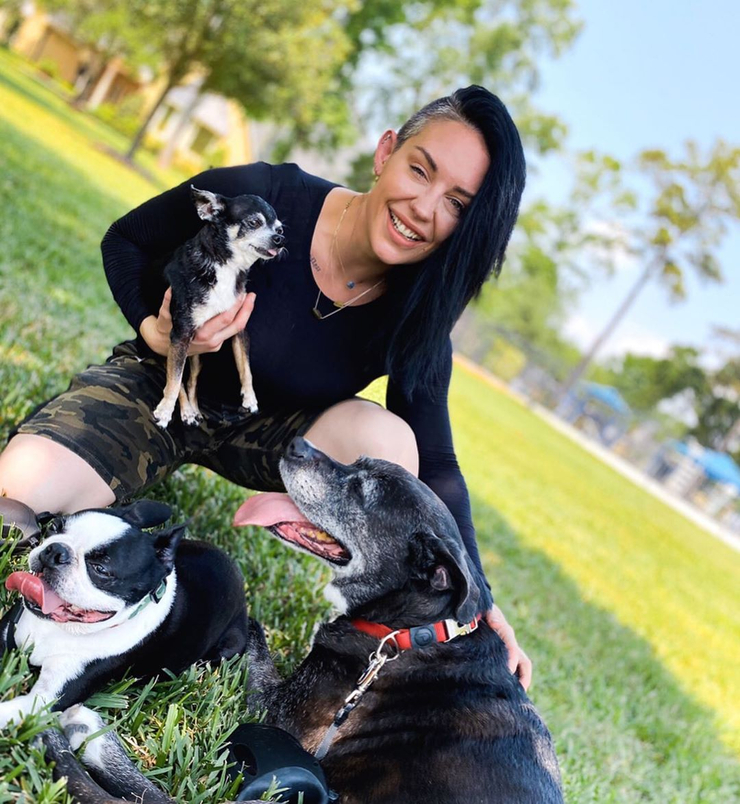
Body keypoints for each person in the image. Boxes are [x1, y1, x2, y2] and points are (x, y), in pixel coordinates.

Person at [0, 85, 531, 687]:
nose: (424, 206)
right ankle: (74, 439)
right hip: (164, 385)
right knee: (16, 500)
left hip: (278, 439)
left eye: (457, 202)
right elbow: (126, 240)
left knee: (391, 444)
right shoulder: (268, 196)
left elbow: (436, 463)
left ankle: (361, 654)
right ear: (386, 153)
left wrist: (479, 596)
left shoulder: (419, 308)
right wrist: (154, 328)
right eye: (420, 170)